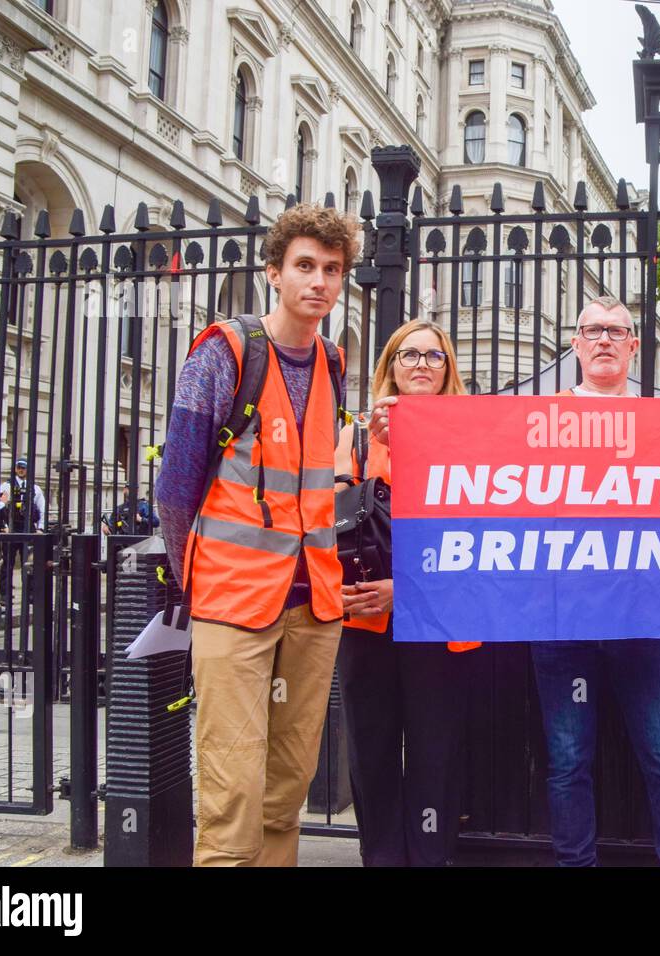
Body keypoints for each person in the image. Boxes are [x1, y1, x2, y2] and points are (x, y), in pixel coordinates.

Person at [442, 294, 660, 867]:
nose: (604, 339)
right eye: (592, 330)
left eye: (616, 331)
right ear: (575, 344)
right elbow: (492, 485)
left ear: (634, 345)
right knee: (567, 757)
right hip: (560, 615)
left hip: (644, 616)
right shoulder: (541, 416)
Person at [157, 203, 358, 866]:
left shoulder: (332, 362)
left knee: (286, 792)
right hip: (232, 601)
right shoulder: (225, 353)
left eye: (332, 269)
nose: (319, 282)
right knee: (231, 797)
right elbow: (177, 486)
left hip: (313, 603)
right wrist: (198, 581)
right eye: (304, 266)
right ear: (274, 272)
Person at [337, 319, 480, 866]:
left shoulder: (470, 438)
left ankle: (429, 857)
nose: (421, 363)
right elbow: (326, 523)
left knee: (435, 753)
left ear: (449, 371)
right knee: (371, 753)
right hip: (363, 618)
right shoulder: (353, 437)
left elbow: (481, 537)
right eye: (408, 354)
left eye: (434, 356)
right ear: (390, 365)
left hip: (441, 619)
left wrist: (409, 589)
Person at [0, 458, 45, 592]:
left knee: (29, 563)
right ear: (15, 469)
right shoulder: (6, 486)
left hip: (28, 528)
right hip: (12, 528)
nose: (21, 470)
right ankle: (5, 594)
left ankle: (29, 594)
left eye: (23, 468)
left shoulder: (35, 488)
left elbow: (42, 510)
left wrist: (40, 528)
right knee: (8, 563)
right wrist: (3, 525)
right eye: (19, 467)